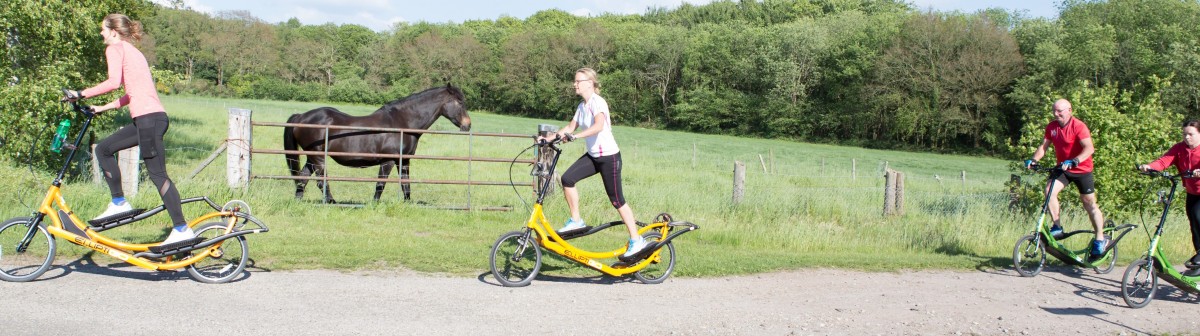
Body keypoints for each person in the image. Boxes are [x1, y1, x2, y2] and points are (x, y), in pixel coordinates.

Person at [62, 14, 193, 245]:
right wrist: (102, 107)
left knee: (158, 175)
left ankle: (181, 228)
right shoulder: (134, 52)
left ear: (113, 31)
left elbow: (113, 82)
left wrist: (79, 93)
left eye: (103, 29)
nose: (101, 33)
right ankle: (119, 201)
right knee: (103, 149)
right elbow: (131, 93)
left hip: (148, 120)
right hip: (147, 119)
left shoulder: (115, 49)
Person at [538, 68, 648, 259]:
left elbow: (598, 126)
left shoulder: (598, 102)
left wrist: (576, 136)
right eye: (575, 81)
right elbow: (570, 127)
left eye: (578, 81)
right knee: (567, 179)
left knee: (617, 200)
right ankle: (576, 220)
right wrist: (547, 139)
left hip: (609, 158)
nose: (574, 84)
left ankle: (636, 240)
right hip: (593, 157)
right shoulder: (582, 107)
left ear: (589, 83)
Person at [1023, 99, 1108, 257]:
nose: (1056, 114)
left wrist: (1075, 160)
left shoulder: (1079, 126)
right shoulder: (1052, 127)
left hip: (1082, 169)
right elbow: (1043, 146)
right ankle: (1057, 227)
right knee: (1049, 191)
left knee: (1089, 204)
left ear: (1069, 110)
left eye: (1059, 111)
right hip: (1063, 168)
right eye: (1054, 111)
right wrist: (1034, 160)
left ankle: (1100, 238)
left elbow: (1089, 148)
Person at [1137, 120, 1200, 269]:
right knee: (1194, 223)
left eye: (1190, 134)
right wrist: (1150, 167)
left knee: (1198, 217)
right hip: (1192, 192)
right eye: (1184, 134)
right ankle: (1199, 253)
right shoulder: (1179, 148)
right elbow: (1164, 161)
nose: (1187, 137)